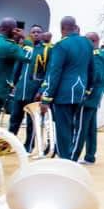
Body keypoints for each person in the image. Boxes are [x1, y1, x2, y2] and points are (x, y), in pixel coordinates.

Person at [40, 16, 95, 159]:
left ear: (62, 28)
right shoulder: (87, 43)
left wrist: (46, 97)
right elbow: (91, 70)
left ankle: (65, 160)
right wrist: (88, 89)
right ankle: (70, 156)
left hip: (63, 93)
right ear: (75, 26)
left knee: (62, 128)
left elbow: (55, 72)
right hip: (80, 91)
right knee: (73, 127)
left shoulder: (61, 45)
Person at [6, 26, 48, 149]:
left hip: (34, 90)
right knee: (14, 118)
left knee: (32, 120)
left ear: (42, 35)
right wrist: (13, 84)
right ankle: (9, 144)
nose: (36, 34)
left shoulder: (45, 50)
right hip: (20, 89)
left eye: (38, 32)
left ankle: (29, 145)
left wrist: (41, 90)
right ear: (30, 34)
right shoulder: (24, 49)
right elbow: (17, 68)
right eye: (33, 32)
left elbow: (47, 73)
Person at [78, 31, 104, 164]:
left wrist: (85, 91)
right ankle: (90, 156)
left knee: (81, 127)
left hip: (89, 96)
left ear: (93, 41)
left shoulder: (95, 56)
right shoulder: (96, 55)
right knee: (90, 127)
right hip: (94, 96)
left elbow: (95, 76)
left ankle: (75, 154)